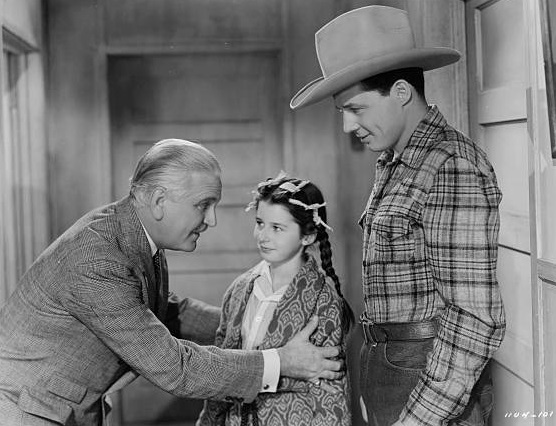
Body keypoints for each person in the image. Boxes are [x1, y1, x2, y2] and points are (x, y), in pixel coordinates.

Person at [0, 139, 343, 426]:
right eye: (203, 205)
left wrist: (258, 322)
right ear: (160, 201)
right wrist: (279, 360)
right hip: (28, 411)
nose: (211, 220)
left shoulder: (130, 232)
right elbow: (172, 366)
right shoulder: (97, 258)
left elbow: (164, 312)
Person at [290, 6, 506, 426]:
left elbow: (474, 319)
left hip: (430, 392)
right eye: (342, 113)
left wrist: (417, 419)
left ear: (402, 92)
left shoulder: (450, 166)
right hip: (390, 372)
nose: (348, 126)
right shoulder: (396, 160)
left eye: (357, 109)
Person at [197, 172, 354, 426]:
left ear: (308, 236)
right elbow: (222, 366)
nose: (263, 236)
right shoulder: (239, 289)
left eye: (277, 228)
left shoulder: (322, 300)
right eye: (260, 223)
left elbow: (330, 391)